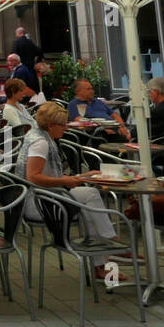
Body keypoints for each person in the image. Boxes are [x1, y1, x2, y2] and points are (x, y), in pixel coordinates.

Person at [15, 101, 117, 244]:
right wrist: (65, 181)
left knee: (88, 202)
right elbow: (33, 177)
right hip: (39, 203)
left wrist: (81, 176)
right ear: (51, 125)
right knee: (90, 196)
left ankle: (102, 254)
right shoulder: (41, 143)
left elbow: (47, 175)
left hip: (40, 197)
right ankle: (110, 242)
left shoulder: (36, 135)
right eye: (63, 125)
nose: (66, 128)